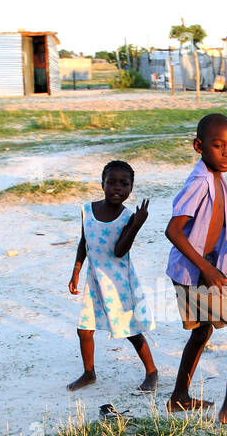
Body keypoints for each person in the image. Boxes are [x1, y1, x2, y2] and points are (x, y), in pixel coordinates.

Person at [165, 113, 227, 430]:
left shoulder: (216, 179)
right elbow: (173, 230)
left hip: (199, 271)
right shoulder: (199, 182)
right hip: (197, 272)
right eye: (218, 145)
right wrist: (208, 269)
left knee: (202, 330)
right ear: (199, 146)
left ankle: (179, 396)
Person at [66, 159, 158, 392]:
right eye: (112, 182)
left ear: (131, 189)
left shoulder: (128, 216)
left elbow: (119, 251)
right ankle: (89, 373)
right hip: (94, 280)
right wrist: (76, 271)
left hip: (118, 283)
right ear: (102, 184)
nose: (118, 187)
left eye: (124, 184)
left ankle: (152, 372)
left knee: (130, 330)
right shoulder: (87, 210)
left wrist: (136, 225)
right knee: (84, 329)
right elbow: (84, 241)